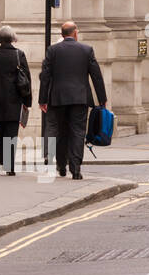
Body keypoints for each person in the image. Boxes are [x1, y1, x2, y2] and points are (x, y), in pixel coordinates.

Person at [39, 21, 108, 180]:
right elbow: (96, 76)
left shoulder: (53, 50)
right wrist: (102, 99)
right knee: (77, 132)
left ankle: (59, 164)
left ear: (62, 34)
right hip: (79, 98)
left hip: (57, 98)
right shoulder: (86, 50)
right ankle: (75, 169)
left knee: (58, 131)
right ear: (75, 33)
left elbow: (45, 77)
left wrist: (42, 99)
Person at [0, 26, 31, 175]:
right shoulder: (19, 54)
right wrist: (27, 101)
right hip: (14, 99)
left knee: (1, 129)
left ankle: (3, 160)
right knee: (12, 132)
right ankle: (9, 165)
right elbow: (26, 79)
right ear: (12, 38)